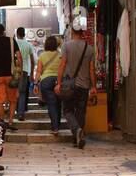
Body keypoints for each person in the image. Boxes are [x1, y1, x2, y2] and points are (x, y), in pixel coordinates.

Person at [56, 20, 97, 149]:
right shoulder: (89, 49)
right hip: (84, 85)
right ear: (83, 32)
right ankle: (77, 138)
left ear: (72, 32)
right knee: (81, 111)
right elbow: (92, 70)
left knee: (67, 110)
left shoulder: (66, 46)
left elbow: (62, 65)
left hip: (69, 84)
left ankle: (76, 130)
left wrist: (58, 83)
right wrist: (94, 86)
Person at [36, 34, 62, 133]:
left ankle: (55, 128)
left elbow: (38, 71)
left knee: (51, 104)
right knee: (58, 104)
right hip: (58, 81)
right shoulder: (60, 55)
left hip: (46, 81)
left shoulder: (42, 55)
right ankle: (57, 126)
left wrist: (35, 83)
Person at [14, 26, 35, 121]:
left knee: (14, 91)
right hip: (25, 71)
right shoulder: (28, 45)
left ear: (17, 34)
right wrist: (32, 74)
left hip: (14, 71)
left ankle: (15, 110)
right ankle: (20, 114)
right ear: (24, 34)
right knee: (22, 92)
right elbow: (33, 60)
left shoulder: (14, 43)